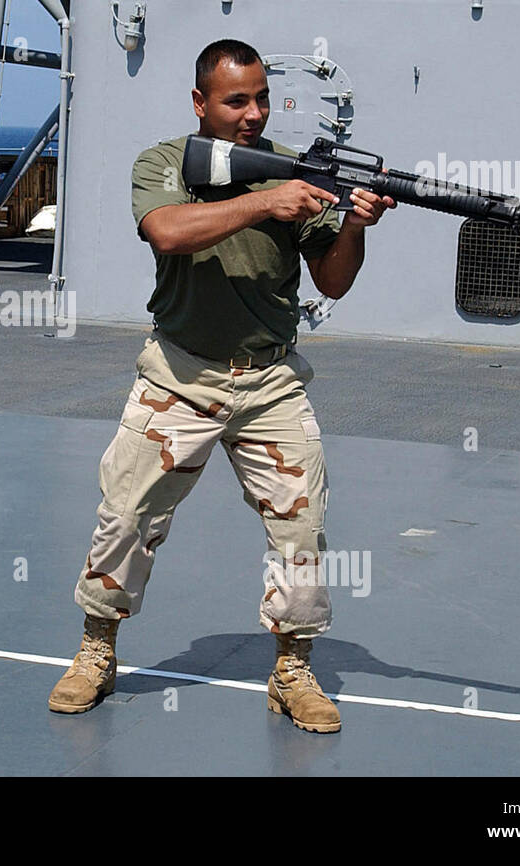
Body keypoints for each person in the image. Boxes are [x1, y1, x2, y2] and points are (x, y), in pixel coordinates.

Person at [47, 39, 394, 733]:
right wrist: (267, 203)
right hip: (178, 374)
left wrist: (353, 223)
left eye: (262, 98)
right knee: (126, 517)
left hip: (269, 381)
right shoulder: (167, 163)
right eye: (237, 100)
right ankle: (96, 652)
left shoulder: (294, 174)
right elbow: (168, 233)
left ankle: (292, 670)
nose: (254, 113)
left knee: (301, 526)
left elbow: (332, 279)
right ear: (200, 102)